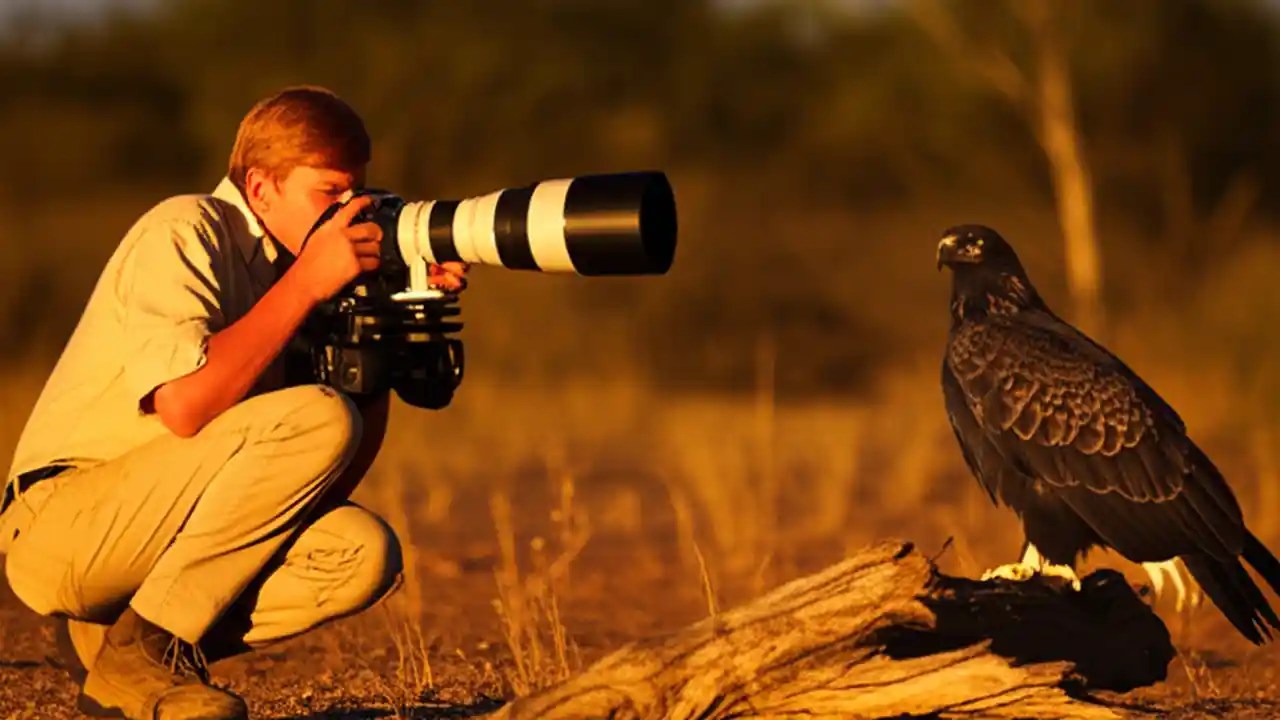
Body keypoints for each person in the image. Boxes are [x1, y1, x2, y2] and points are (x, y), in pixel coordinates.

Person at [0, 86, 467, 719]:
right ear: (260, 187)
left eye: (355, 192)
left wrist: (380, 321)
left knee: (361, 551)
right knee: (319, 414)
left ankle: (123, 646)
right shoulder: (185, 229)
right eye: (329, 193)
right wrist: (308, 286)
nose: (348, 212)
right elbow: (186, 408)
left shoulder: (295, 272)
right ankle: (143, 656)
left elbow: (316, 482)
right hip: (63, 528)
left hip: (155, 535)